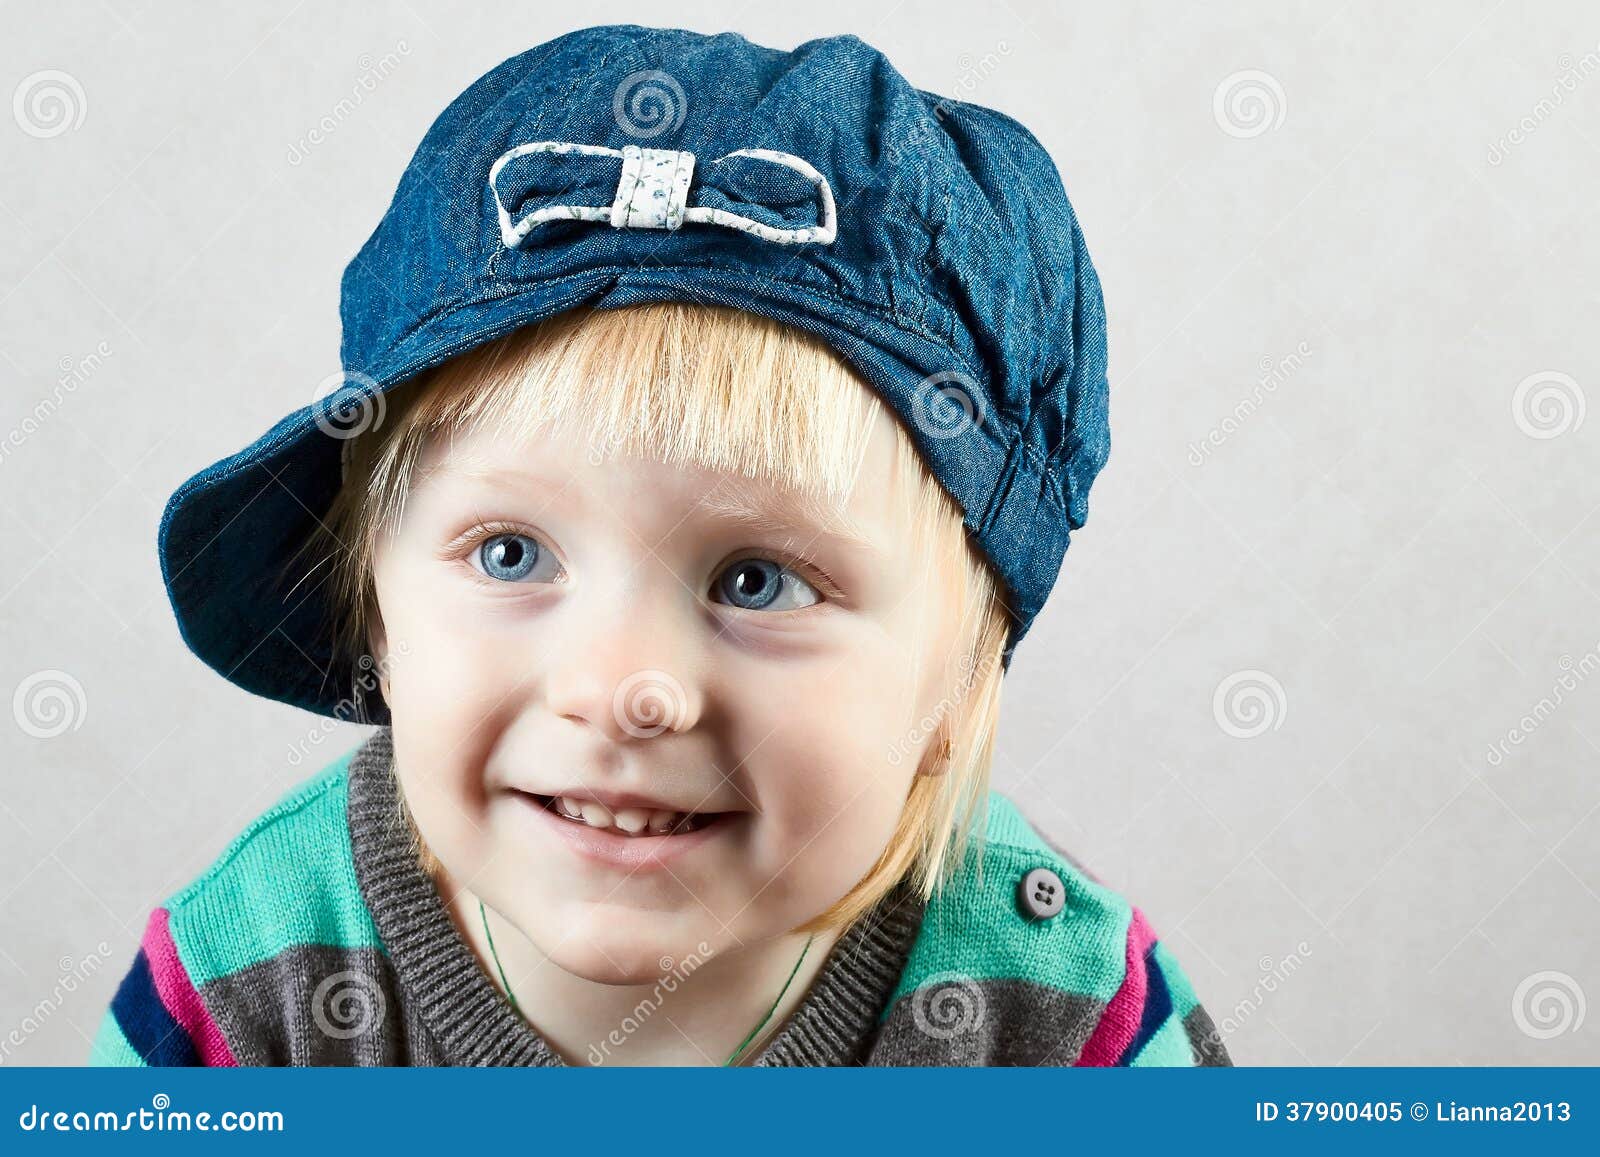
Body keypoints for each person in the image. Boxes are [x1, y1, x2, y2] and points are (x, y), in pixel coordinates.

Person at [89, 24, 1230, 1067]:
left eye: (757, 579)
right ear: (378, 615)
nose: (622, 689)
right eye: (509, 553)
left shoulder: (1068, 1026)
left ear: (956, 679)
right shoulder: (246, 992)